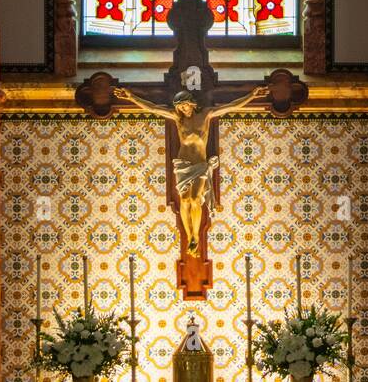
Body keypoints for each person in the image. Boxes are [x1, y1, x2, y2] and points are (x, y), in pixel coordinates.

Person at [114, 68, 270, 255]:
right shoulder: (178, 119)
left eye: (185, 106)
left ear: (192, 104)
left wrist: (252, 96)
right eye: (180, 107)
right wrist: (130, 97)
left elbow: (231, 106)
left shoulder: (206, 115)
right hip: (182, 166)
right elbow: (153, 108)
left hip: (200, 166)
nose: (183, 109)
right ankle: (190, 237)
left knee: (196, 199)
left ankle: (195, 234)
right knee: (185, 200)